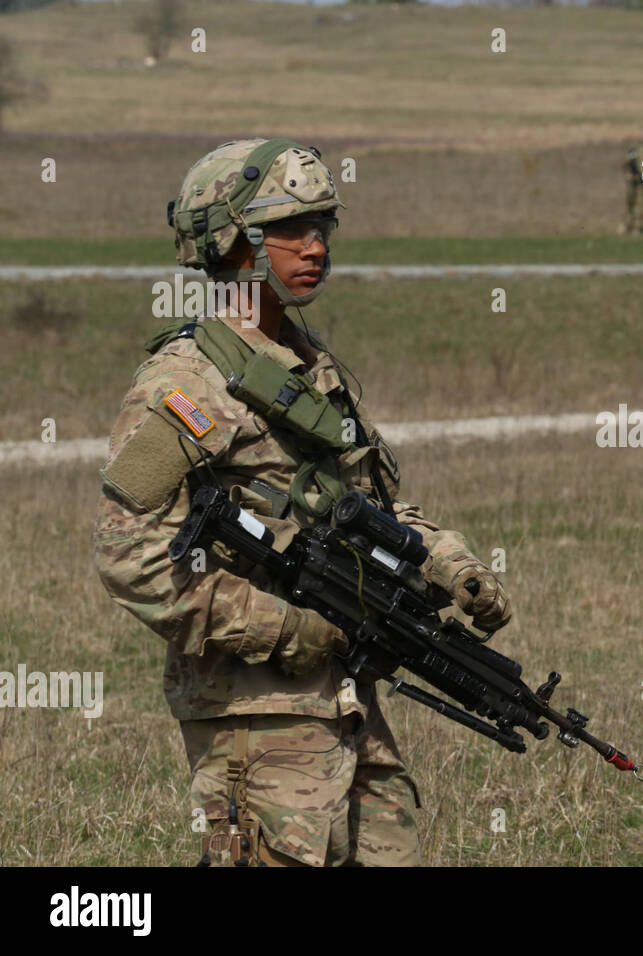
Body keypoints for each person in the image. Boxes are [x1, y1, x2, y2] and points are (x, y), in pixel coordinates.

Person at [92, 138, 511, 866]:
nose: (315, 245)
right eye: (290, 227)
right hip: (254, 715)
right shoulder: (187, 382)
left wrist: (446, 560)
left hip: (346, 697)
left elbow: (359, 508)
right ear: (230, 242)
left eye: (323, 225)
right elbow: (129, 556)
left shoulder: (306, 366)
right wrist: (292, 627)